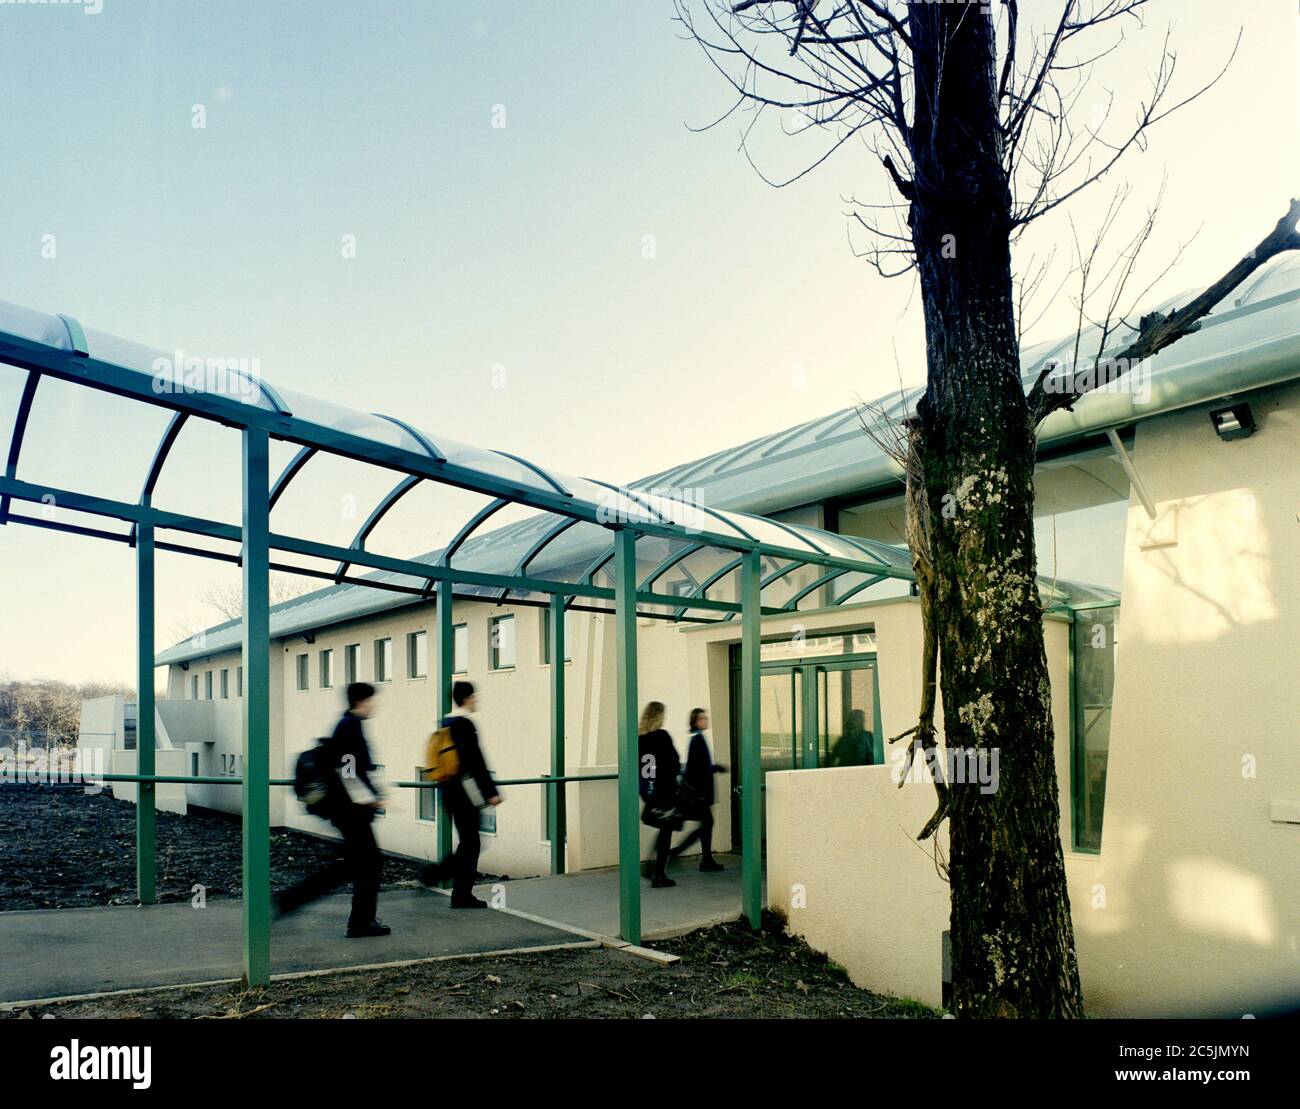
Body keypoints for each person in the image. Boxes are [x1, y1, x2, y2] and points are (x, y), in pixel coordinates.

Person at [275, 682, 389, 938]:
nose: (374, 705)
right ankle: (360, 922)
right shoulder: (350, 726)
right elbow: (348, 770)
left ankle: (293, 900)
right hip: (350, 810)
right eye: (371, 700)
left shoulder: (347, 725)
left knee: (354, 864)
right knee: (368, 862)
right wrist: (369, 798)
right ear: (361, 701)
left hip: (346, 809)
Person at [419, 681, 501, 908]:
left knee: (469, 842)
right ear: (467, 698)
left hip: (448, 789)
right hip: (464, 791)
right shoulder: (464, 725)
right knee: (471, 843)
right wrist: (491, 792)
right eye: (474, 696)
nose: (477, 700)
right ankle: (452, 887)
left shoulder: (445, 723)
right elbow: (475, 761)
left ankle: (455, 889)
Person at [670, 707, 726, 871]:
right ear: (695, 721)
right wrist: (714, 768)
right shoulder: (697, 740)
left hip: (700, 792)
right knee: (707, 823)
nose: (705, 720)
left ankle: (705, 858)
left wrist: (713, 768)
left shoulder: (697, 737)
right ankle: (688, 854)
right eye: (702, 718)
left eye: (705, 718)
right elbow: (697, 768)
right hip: (700, 793)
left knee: (706, 824)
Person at [637, 700, 680, 889]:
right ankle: (658, 872)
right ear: (659, 716)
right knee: (666, 831)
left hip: (650, 792)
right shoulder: (662, 736)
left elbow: (644, 768)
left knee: (664, 829)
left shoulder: (640, 739)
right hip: (666, 791)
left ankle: (656, 868)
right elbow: (674, 763)